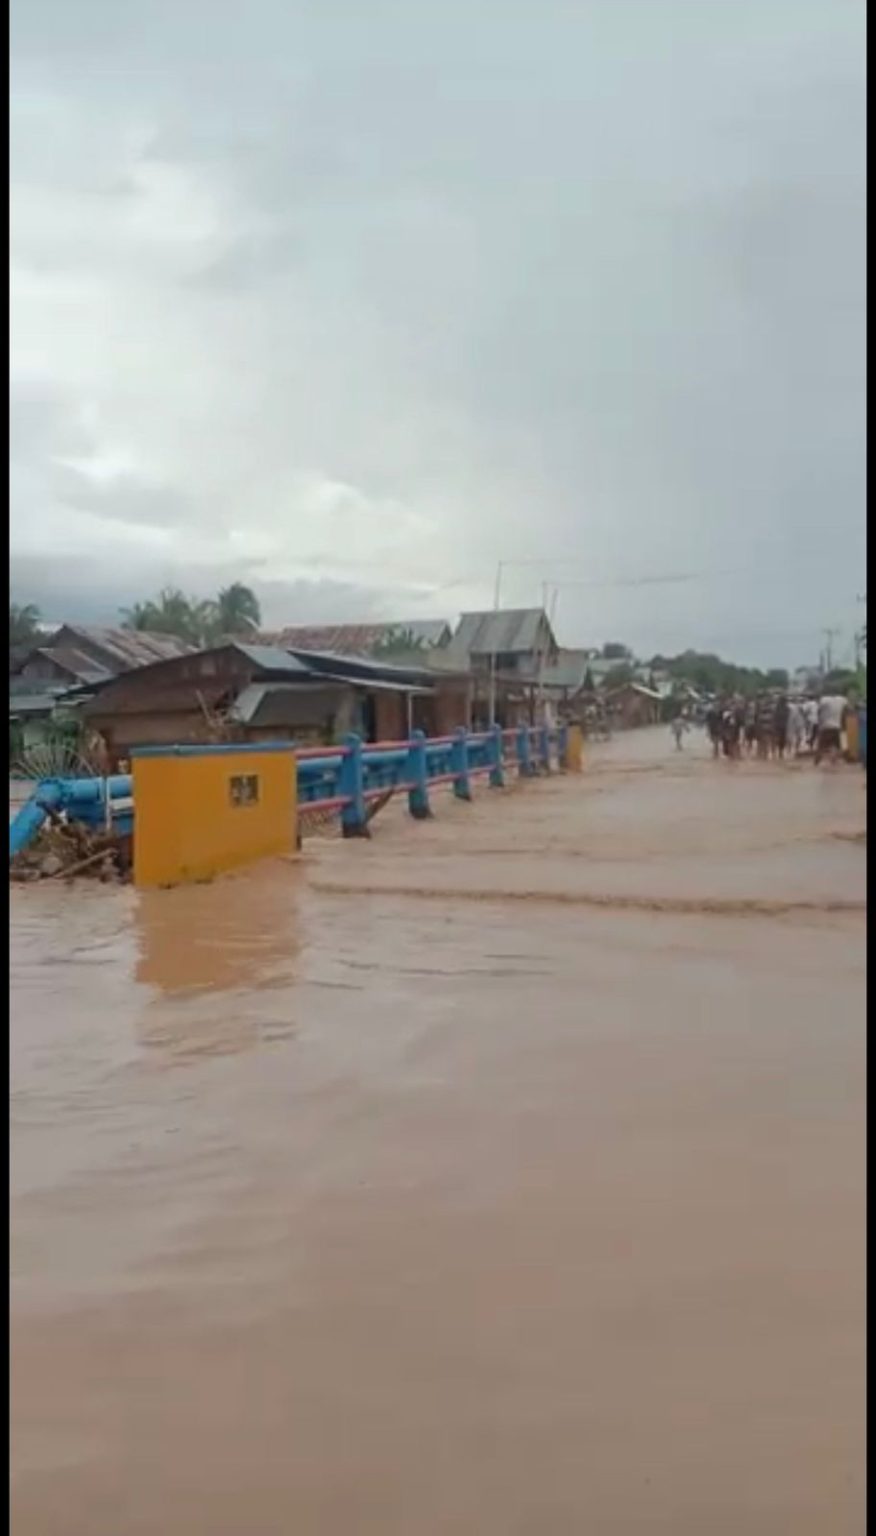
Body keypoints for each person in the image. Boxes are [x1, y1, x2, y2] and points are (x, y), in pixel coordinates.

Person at [814, 690, 848, 765]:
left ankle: (817, 759)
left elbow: (818, 710)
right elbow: (846, 708)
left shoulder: (824, 699)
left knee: (821, 745)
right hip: (836, 726)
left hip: (825, 726)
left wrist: (820, 721)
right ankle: (833, 760)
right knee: (835, 745)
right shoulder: (841, 699)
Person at [773, 692, 790, 760]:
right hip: (783, 726)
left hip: (779, 726)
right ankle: (780, 752)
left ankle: (778, 752)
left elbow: (775, 717)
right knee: (782, 740)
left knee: (779, 739)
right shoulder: (786, 708)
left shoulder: (777, 708)